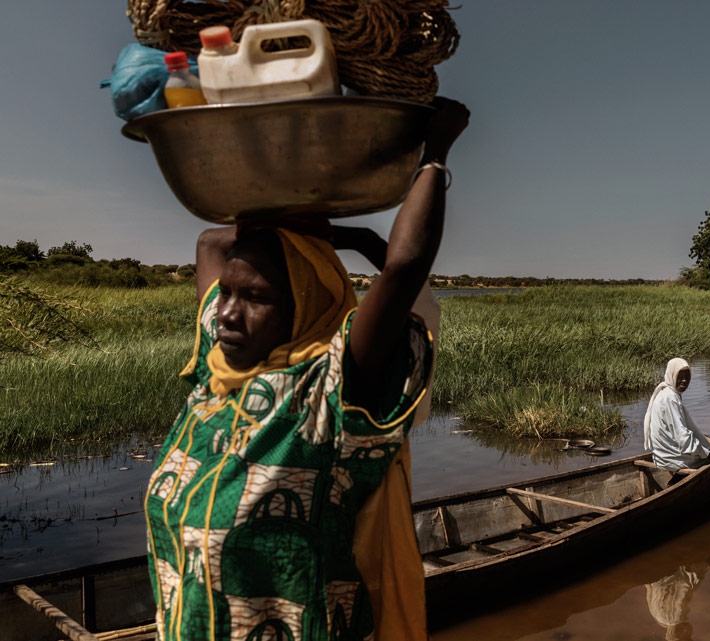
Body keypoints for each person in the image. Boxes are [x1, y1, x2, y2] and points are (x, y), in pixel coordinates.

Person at [144, 99, 469, 641]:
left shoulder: (328, 392)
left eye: (256, 297)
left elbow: (406, 267)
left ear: (304, 303)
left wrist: (433, 153)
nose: (226, 311)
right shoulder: (217, 366)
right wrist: (322, 232)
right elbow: (212, 242)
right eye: (226, 292)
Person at [643, 358, 710, 476]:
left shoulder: (665, 392)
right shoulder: (670, 398)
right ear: (672, 375)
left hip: (661, 457)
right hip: (672, 459)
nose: (684, 380)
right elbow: (682, 437)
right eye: (680, 376)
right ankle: (679, 478)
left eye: (687, 376)